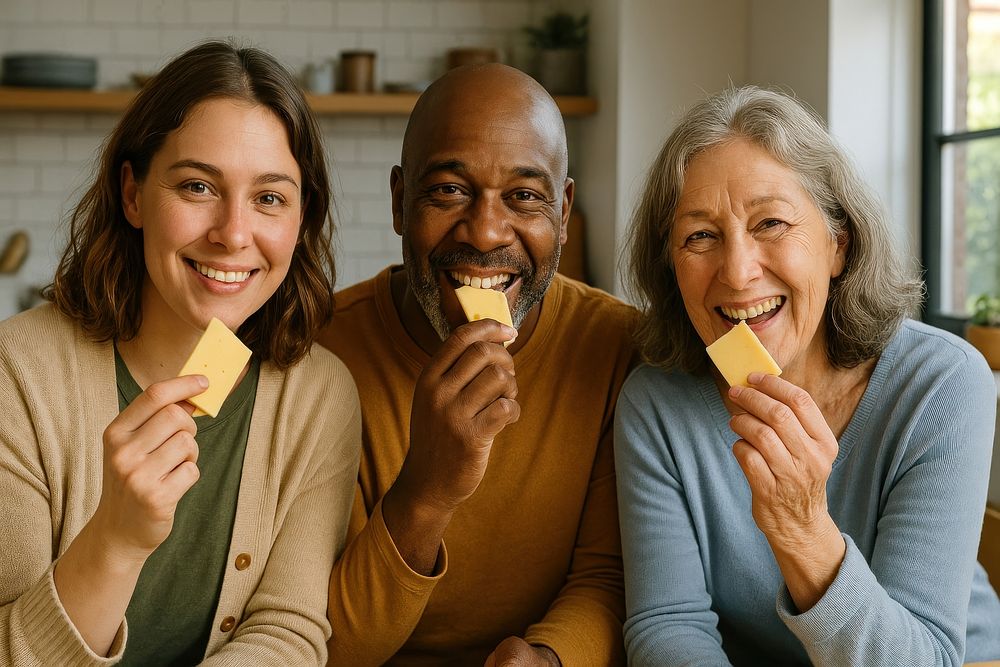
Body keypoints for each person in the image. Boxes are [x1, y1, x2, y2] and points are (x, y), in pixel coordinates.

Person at [0, 41, 361, 665]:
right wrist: (116, 538)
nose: (233, 234)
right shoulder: (19, 375)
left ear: (302, 219)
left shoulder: (319, 397)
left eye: (269, 197)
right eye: (197, 186)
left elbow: (287, 632)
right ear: (134, 194)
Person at [615, 84, 1000, 666]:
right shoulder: (656, 405)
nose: (739, 273)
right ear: (671, 267)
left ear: (838, 245)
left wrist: (802, 530)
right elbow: (669, 627)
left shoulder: (941, 383)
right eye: (700, 236)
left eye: (771, 223)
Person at [319, 63, 637, 666]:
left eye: (523, 196)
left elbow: (608, 579)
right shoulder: (317, 351)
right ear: (398, 202)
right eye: (448, 191)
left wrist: (550, 657)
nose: (487, 232)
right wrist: (429, 489)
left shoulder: (617, 348)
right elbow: (325, 644)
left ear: (563, 213)